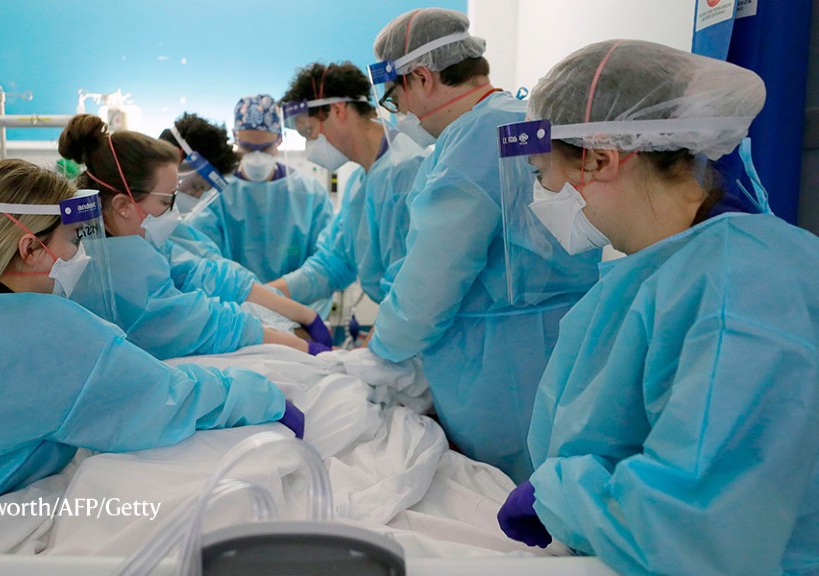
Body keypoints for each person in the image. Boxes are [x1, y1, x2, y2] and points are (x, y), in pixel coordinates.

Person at [0, 159, 302, 551]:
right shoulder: (43, 332)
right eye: (72, 241)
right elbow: (167, 399)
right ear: (29, 249)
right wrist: (267, 396)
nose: (79, 255)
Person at [495, 40, 819, 576]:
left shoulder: (740, 292)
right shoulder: (669, 269)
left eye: (540, 173)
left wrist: (563, 498)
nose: (541, 193)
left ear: (600, 159)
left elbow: (699, 528)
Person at [366, 8, 599, 482]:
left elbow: (428, 289)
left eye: (395, 97)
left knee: (501, 503)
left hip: (501, 373)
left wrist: (381, 350)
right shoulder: (521, 119)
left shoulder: (471, 143)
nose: (400, 113)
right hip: (568, 347)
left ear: (422, 78)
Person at [58, 115, 332, 358]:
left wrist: (304, 314)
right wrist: (296, 346)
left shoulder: (133, 241)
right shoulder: (106, 265)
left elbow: (201, 272)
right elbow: (190, 321)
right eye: (166, 201)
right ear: (123, 205)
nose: (174, 212)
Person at [269, 62, 427, 308]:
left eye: (309, 132)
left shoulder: (405, 171)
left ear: (338, 110)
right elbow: (332, 263)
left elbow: (413, 292)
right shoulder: (360, 183)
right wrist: (260, 296)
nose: (310, 146)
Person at [187, 94, 334, 285]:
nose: (256, 157)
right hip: (231, 302)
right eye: (247, 148)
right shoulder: (216, 195)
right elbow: (204, 262)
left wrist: (276, 297)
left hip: (294, 302)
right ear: (235, 138)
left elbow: (326, 263)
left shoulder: (310, 194)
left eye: (265, 148)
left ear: (279, 139)